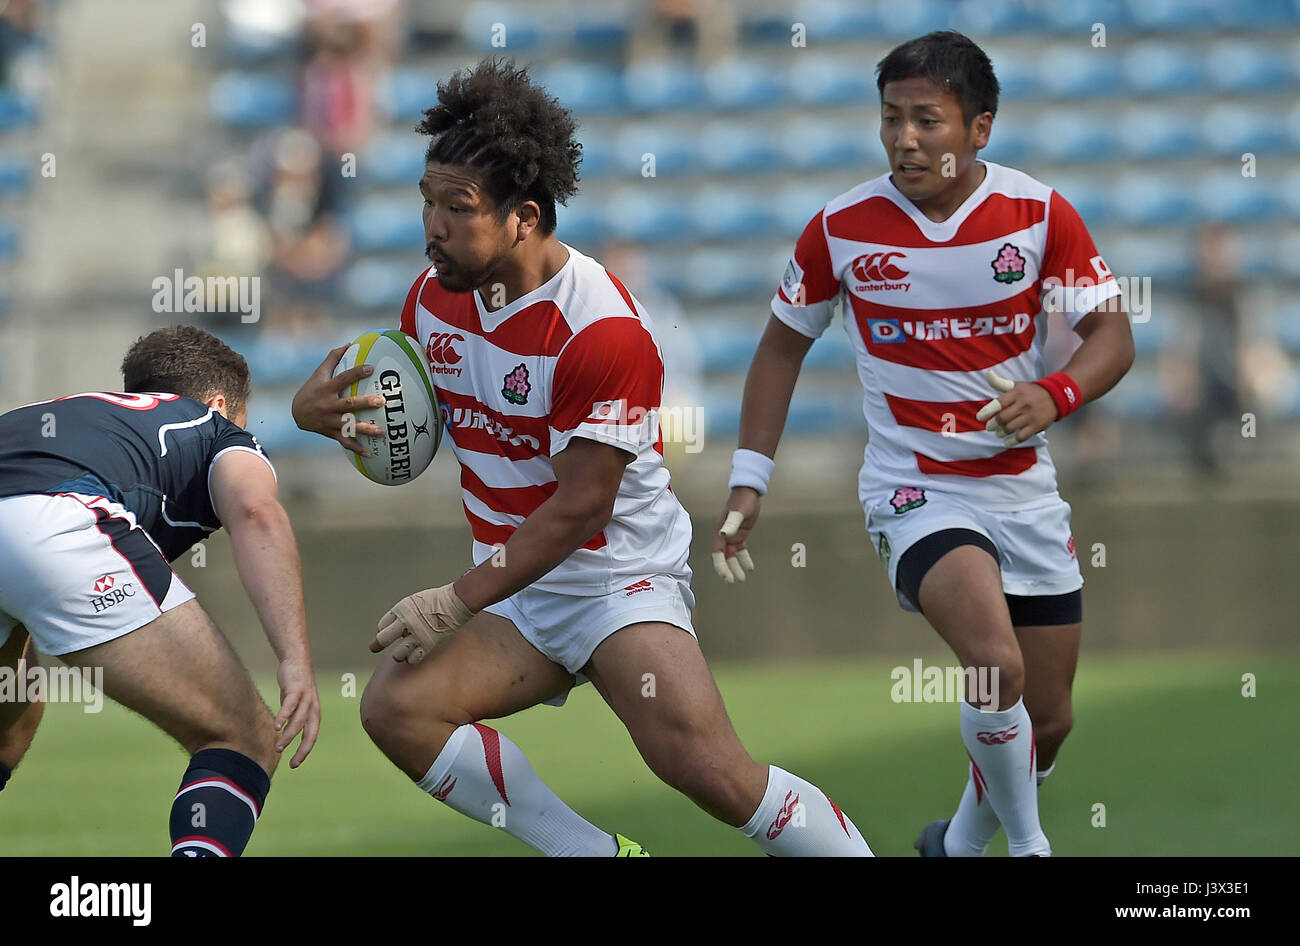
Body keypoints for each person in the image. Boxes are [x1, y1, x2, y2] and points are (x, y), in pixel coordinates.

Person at [291, 58, 873, 857]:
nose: (432, 228)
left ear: (524, 216)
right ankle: (592, 853)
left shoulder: (600, 330)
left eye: (456, 208)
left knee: (710, 771)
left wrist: (456, 600)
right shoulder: (430, 301)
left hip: (612, 580)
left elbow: (582, 507)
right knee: (396, 708)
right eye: (426, 202)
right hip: (517, 592)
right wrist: (323, 417)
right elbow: (433, 434)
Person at [713, 31, 1134, 857]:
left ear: (980, 128)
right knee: (991, 661)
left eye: (927, 122)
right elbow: (779, 347)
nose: (905, 139)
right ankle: (1031, 848)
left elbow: (1112, 336)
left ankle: (956, 844)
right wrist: (748, 478)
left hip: (1021, 488)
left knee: (1048, 718)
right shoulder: (841, 228)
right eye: (891, 120)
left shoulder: (1037, 213)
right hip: (914, 489)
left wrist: (1054, 394)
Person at [0, 326, 320, 856]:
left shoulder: (76, 413)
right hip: (54, 520)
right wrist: (295, 659)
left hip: (26, 519)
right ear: (220, 404)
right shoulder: (215, 430)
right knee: (243, 737)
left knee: (10, 723)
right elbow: (257, 510)